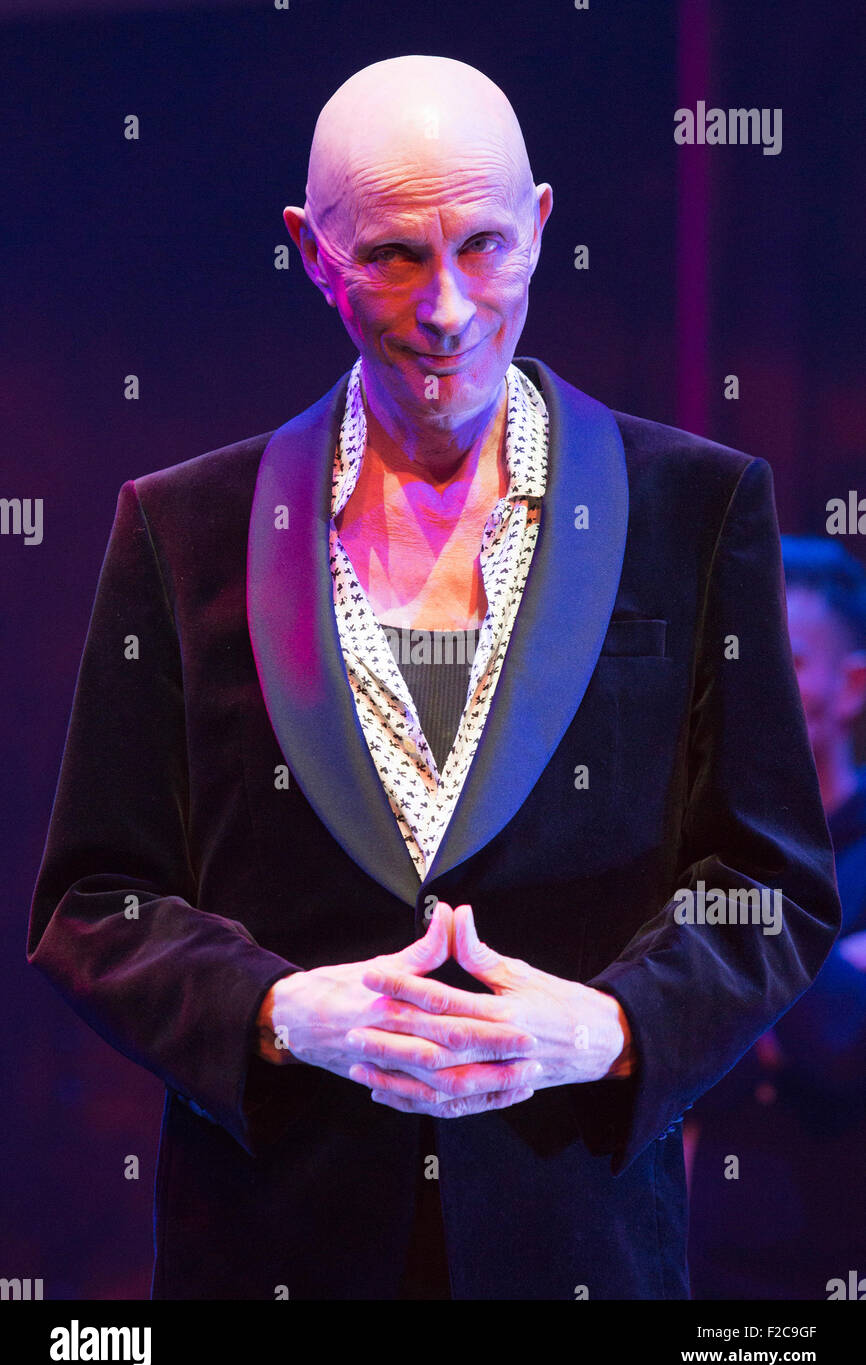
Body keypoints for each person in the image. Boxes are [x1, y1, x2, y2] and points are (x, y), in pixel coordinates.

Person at [27, 55, 840, 1300]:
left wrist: (612, 1025)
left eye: (483, 247)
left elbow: (772, 883)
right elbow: (93, 899)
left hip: (579, 1247)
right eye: (396, 256)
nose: (449, 306)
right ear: (310, 250)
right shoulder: (180, 529)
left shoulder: (695, 506)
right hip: (272, 1250)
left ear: (542, 228)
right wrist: (276, 1013)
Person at [687, 537, 866, 1300]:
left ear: (852, 685)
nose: (754, 694)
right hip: (714, 1261)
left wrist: (735, 992)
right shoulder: (699, 845)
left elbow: (842, 1042)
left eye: (786, 665)